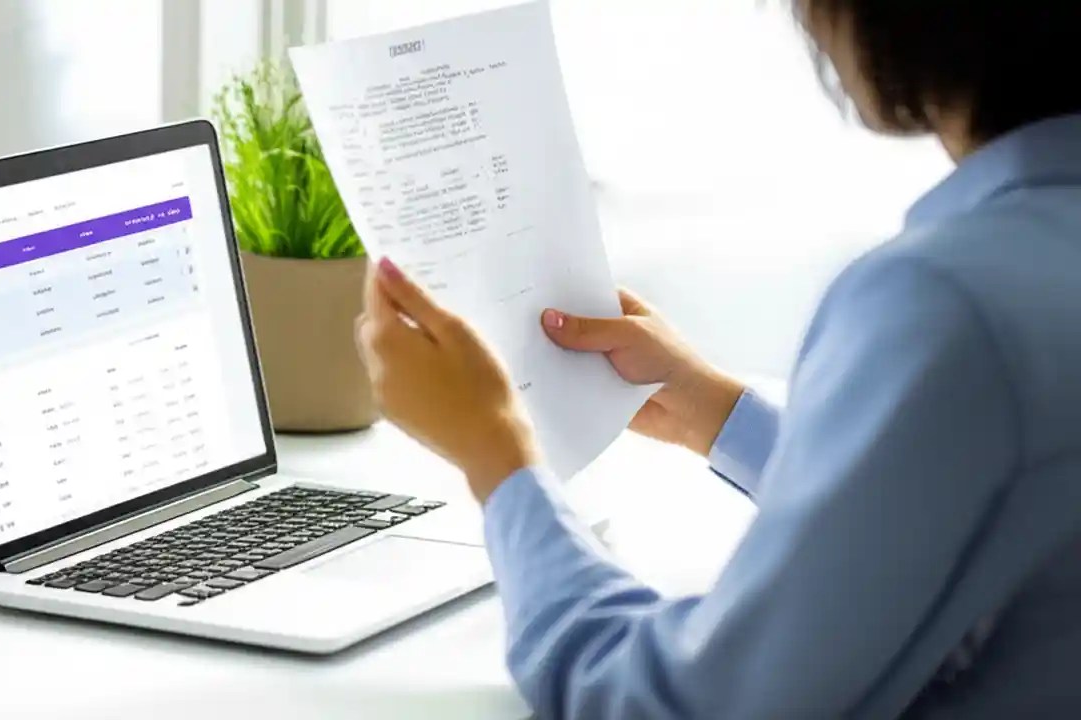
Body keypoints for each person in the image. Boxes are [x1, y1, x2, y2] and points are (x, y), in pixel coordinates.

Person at [355, 1, 1081, 718]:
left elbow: (682, 703)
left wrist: (497, 458)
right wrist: (718, 413)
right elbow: (985, 496)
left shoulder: (948, 301)